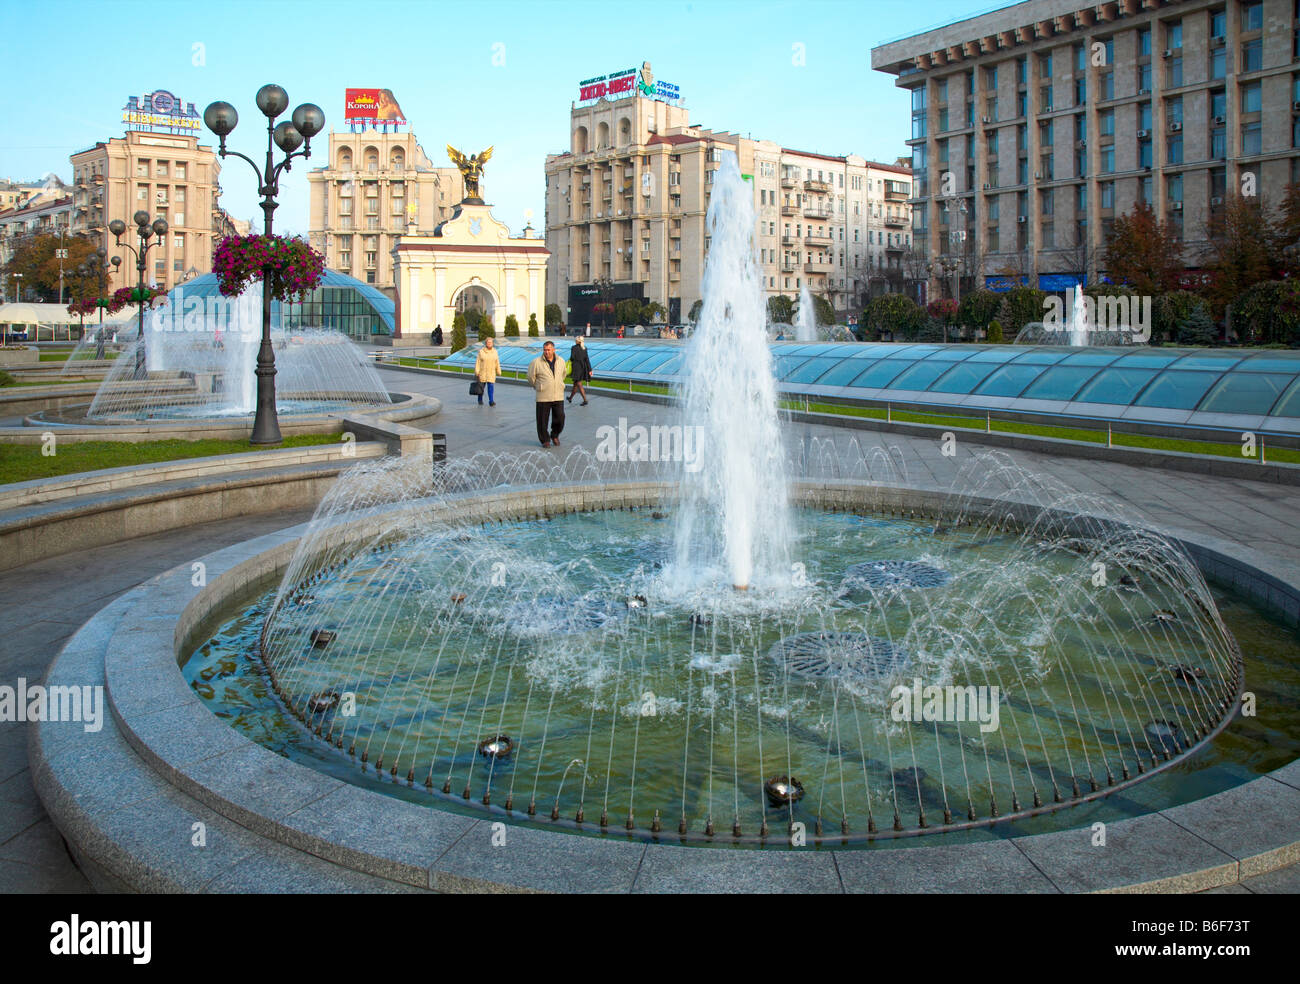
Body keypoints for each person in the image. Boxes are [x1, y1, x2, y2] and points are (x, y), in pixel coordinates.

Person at [528, 340, 566, 447]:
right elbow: (530, 377)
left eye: (549, 350)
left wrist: (558, 384)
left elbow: (563, 374)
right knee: (542, 420)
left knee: (560, 417)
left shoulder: (561, 361)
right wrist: (538, 386)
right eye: (545, 350)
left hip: (558, 394)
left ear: (553, 350)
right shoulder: (536, 362)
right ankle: (545, 440)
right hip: (543, 396)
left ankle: (555, 435)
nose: (547, 352)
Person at [474, 336, 500, 406]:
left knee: (491, 387)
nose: (489, 343)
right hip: (483, 373)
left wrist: (498, 371)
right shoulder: (481, 352)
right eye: (488, 342)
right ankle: (480, 400)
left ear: (493, 343)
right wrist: (477, 371)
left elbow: (497, 362)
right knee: (481, 388)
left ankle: (491, 401)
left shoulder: (495, 352)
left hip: (491, 373)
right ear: (486, 343)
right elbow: (478, 362)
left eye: (491, 342)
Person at [568, 335, 592, 405]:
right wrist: (590, 369)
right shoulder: (584, 348)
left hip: (576, 368)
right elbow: (587, 359)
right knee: (575, 384)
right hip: (583, 368)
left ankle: (585, 400)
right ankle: (570, 398)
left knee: (579, 384)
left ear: (577, 341)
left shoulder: (574, 348)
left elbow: (572, 358)